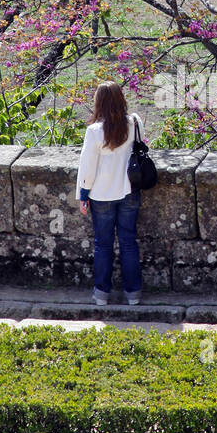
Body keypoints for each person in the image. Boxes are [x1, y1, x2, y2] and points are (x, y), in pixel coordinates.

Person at [76, 82, 144, 307]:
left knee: (103, 244)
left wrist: (83, 195)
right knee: (128, 242)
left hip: (101, 194)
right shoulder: (134, 123)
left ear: (99, 102)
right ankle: (133, 294)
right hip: (129, 190)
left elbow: (87, 167)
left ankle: (102, 294)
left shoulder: (94, 131)